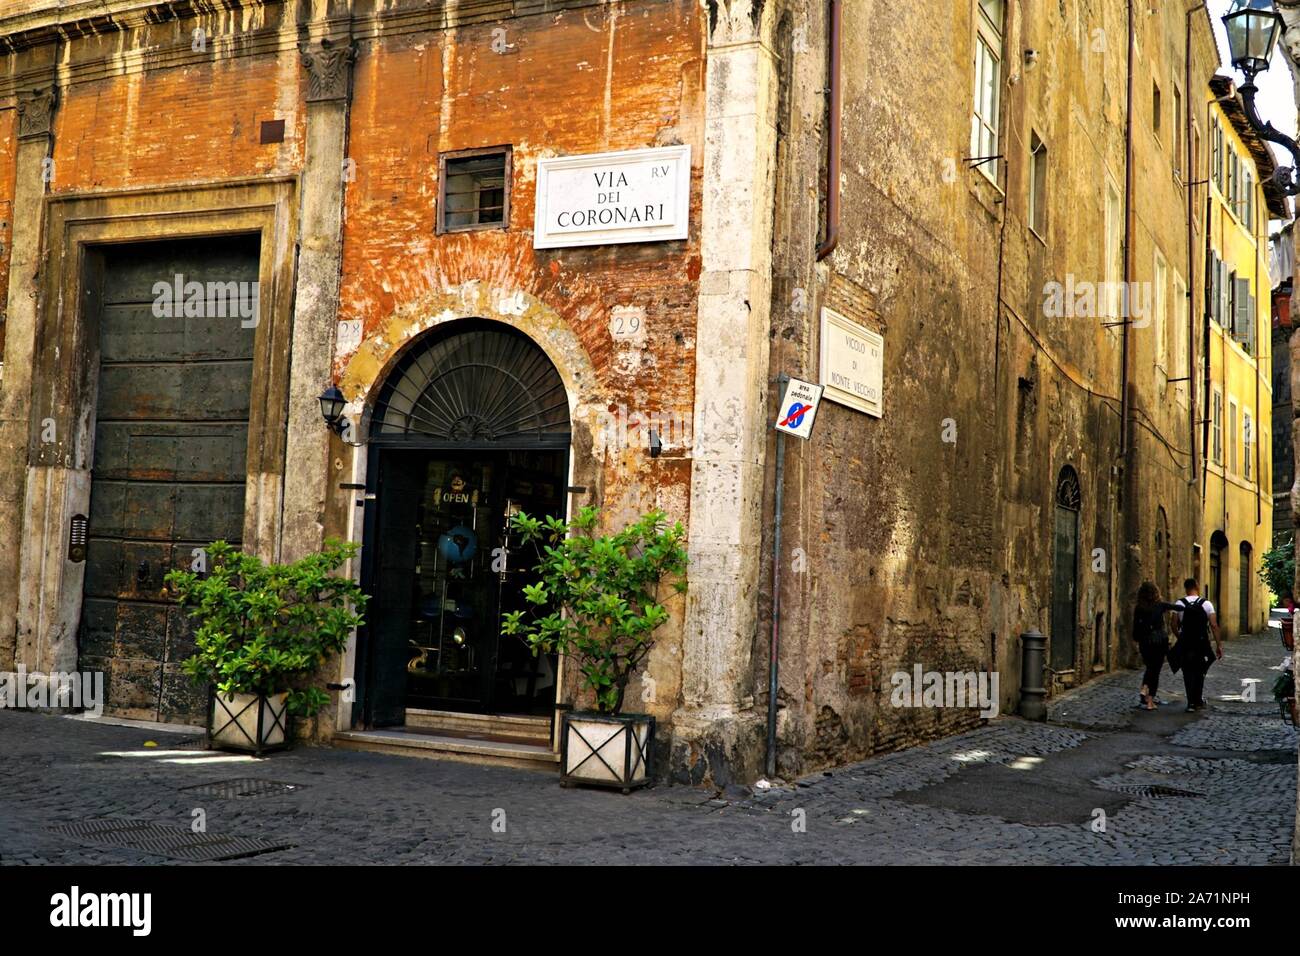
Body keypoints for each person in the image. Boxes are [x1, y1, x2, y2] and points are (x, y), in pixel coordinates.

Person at [1172, 577, 1224, 712]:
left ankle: (1190, 703)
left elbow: (1173, 625)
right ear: (1197, 586)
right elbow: (1213, 625)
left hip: (1186, 643)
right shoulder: (1207, 604)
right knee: (1200, 670)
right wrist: (1219, 645)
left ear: (1186, 589)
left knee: (1187, 671)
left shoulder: (1179, 603)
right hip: (1201, 643)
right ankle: (1198, 700)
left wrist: (1180, 637)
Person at [1132, 581, 1179, 710]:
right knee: (1155, 670)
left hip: (1145, 642)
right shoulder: (1160, 605)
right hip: (1159, 642)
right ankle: (1149, 701)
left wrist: (1137, 639)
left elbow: (1135, 627)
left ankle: (1145, 690)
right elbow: (1177, 607)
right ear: (1156, 593)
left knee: (1150, 668)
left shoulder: (1139, 607)